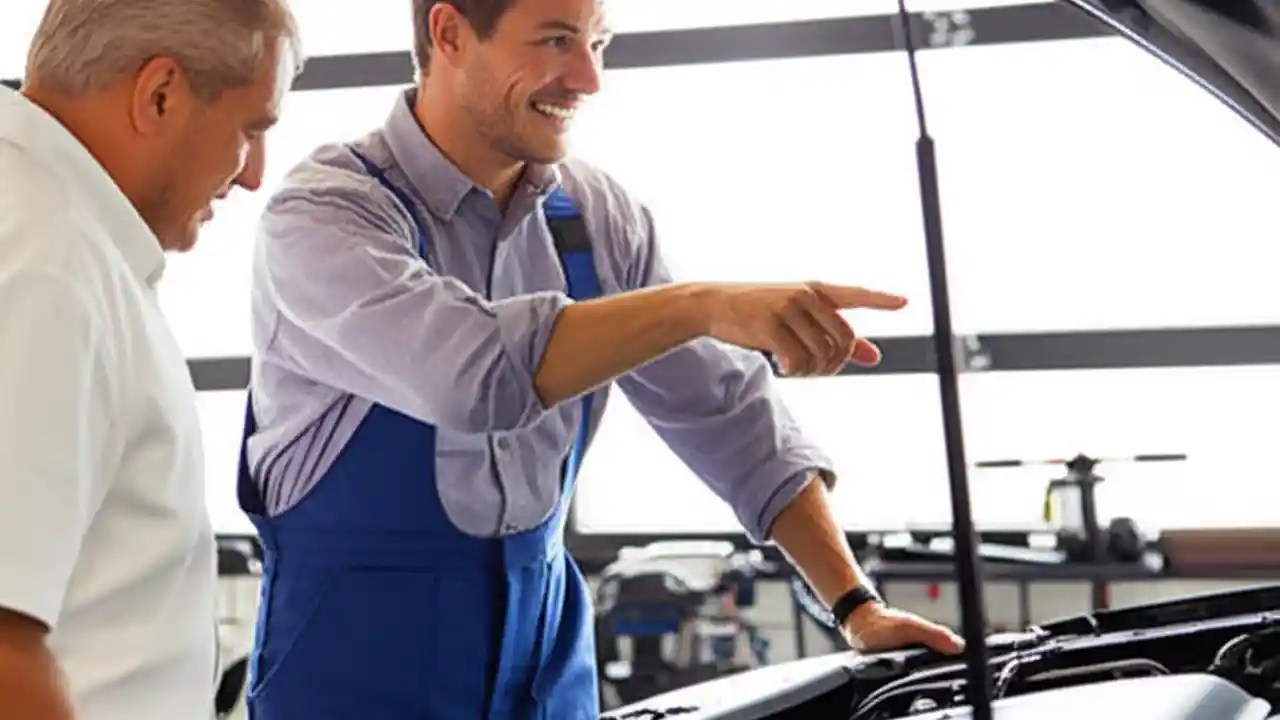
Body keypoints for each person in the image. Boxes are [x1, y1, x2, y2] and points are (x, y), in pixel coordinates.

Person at [236, 0, 964, 717]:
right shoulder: (327, 214)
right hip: (352, 685)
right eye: (556, 40)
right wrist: (700, 306)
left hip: (548, 681)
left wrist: (856, 606)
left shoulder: (592, 217)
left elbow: (731, 418)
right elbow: (474, 376)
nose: (588, 78)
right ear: (450, 33)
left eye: (598, 42)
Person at [0, 1, 302, 718]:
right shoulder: (54, 266)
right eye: (250, 129)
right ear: (159, 94)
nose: (255, 174)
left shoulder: (47, 228)